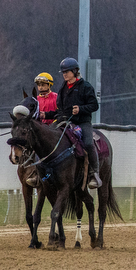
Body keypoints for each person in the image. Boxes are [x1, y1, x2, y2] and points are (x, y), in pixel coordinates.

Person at [41, 57, 101, 189]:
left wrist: (81, 109)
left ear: (75, 71)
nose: (64, 74)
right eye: (63, 72)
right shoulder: (63, 89)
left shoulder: (86, 87)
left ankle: (94, 173)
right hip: (64, 122)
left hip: (82, 122)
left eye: (67, 71)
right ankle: (41, 171)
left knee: (88, 143)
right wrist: (47, 114)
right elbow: (60, 110)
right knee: (44, 138)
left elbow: (94, 105)